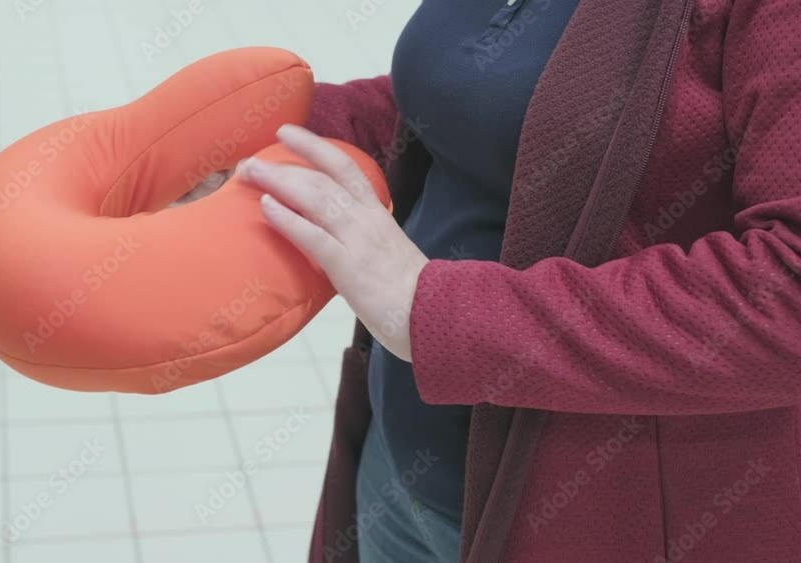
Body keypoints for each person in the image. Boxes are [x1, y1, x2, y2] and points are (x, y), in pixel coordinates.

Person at [184, 0, 801, 560]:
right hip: (403, 459)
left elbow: (788, 292)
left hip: (596, 514)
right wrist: (277, 137)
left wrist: (439, 313)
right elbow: (471, 100)